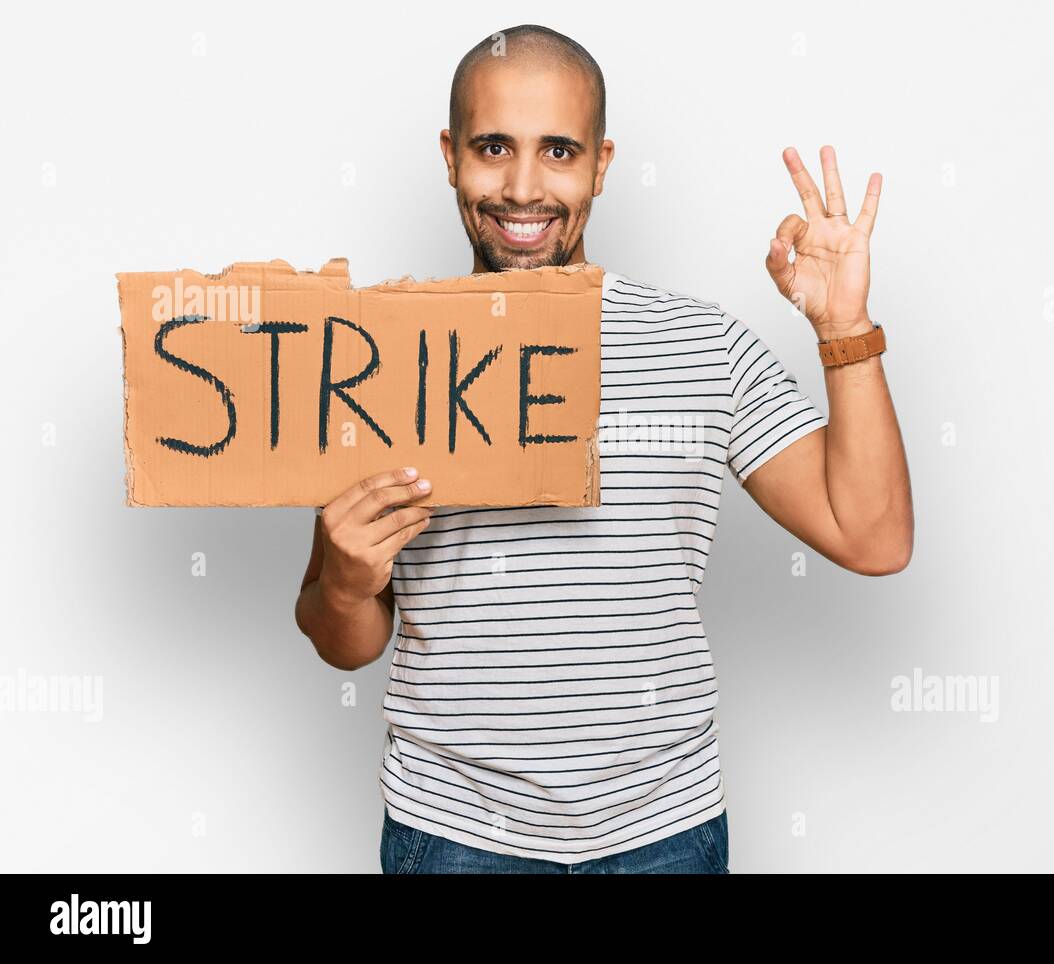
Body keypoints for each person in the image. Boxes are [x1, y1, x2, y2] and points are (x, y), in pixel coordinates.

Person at [294, 23, 913, 874]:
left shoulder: (701, 346)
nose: (523, 188)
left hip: (665, 833)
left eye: (558, 151)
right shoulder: (382, 355)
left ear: (601, 165)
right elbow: (346, 640)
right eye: (492, 147)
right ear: (450, 156)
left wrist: (845, 327)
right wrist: (344, 582)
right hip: (454, 834)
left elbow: (873, 537)